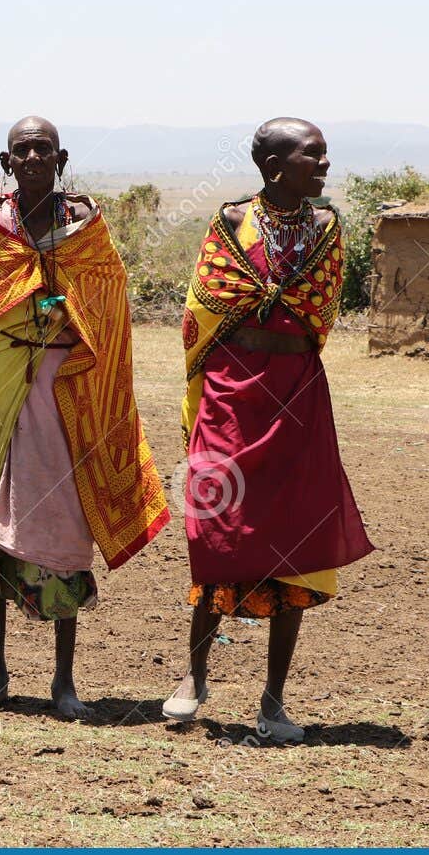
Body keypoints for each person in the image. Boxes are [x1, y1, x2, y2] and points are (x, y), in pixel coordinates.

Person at [0, 117, 170, 717]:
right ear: (6, 161)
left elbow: (108, 309)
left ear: (61, 160)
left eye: (44, 149)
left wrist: (62, 308)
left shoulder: (85, 229)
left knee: (66, 522)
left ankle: (64, 682)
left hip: (69, 388)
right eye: (23, 149)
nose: (33, 156)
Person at [163, 117, 374, 743]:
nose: (325, 165)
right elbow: (202, 309)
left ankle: (273, 700)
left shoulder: (327, 228)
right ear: (274, 167)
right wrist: (203, 392)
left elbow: (318, 314)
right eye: (314, 155)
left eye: (326, 155)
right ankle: (195, 674)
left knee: (295, 536)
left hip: (298, 395)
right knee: (215, 528)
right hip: (230, 394)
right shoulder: (231, 223)